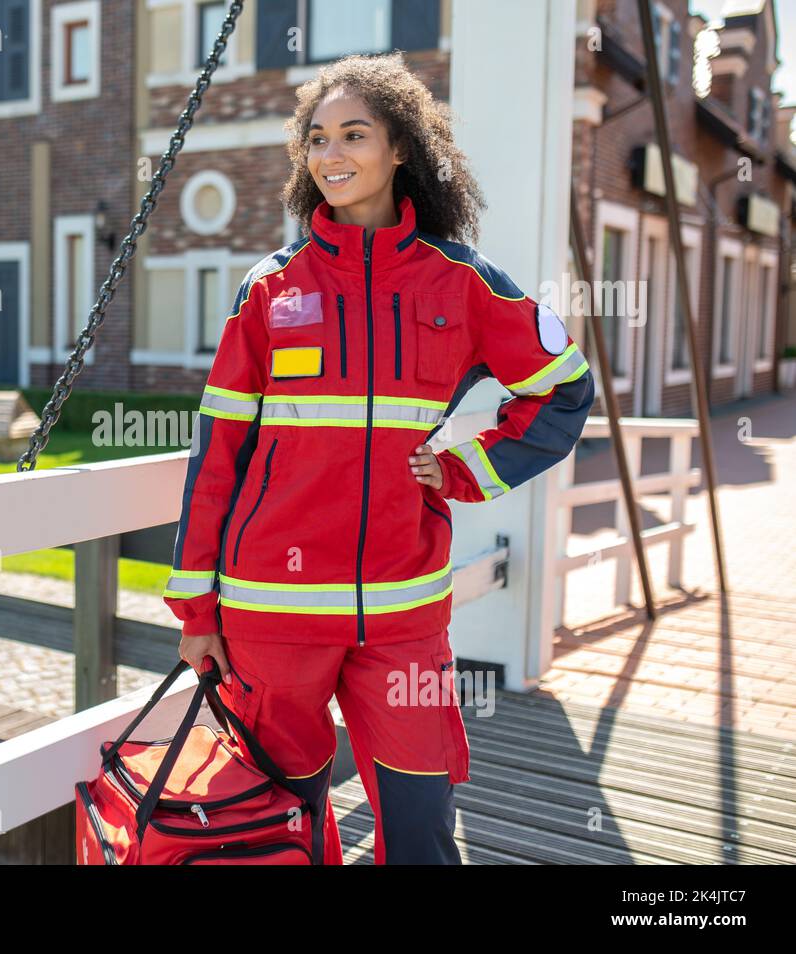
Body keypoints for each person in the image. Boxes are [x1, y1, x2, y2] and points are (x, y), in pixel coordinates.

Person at [163, 52, 595, 865]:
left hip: (404, 612)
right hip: (271, 611)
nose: (331, 156)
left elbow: (564, 391)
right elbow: (215, 452)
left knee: (424, 825)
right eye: (317, 139)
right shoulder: (270, 289)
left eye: (354, 135)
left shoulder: (463, 284)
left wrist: (468, 469)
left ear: (401, 148)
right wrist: (197, 611)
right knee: (277, 830)